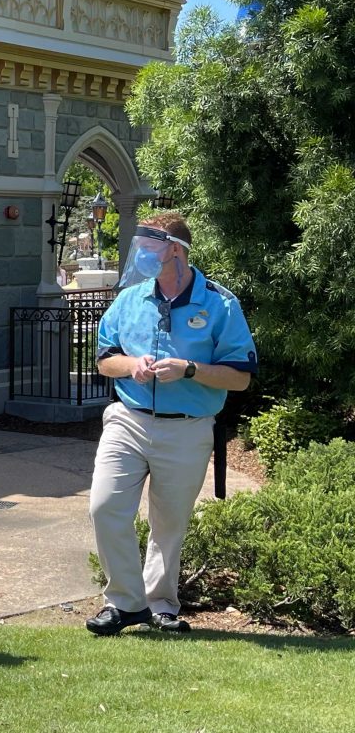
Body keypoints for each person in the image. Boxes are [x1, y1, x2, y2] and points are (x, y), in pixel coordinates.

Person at [86, 213, 256, 636]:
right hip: (128, 420)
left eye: (149, 248)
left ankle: (160, 604)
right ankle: (125, 603)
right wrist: (133, 365)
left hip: (188, 427)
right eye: (139, 247)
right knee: (104, 507)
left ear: (175, 250)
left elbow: (240, 376)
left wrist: (190, 369)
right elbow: (105, 360)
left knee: (169, 523)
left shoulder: (221, 304)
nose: (141, 256)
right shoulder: (130, 299)